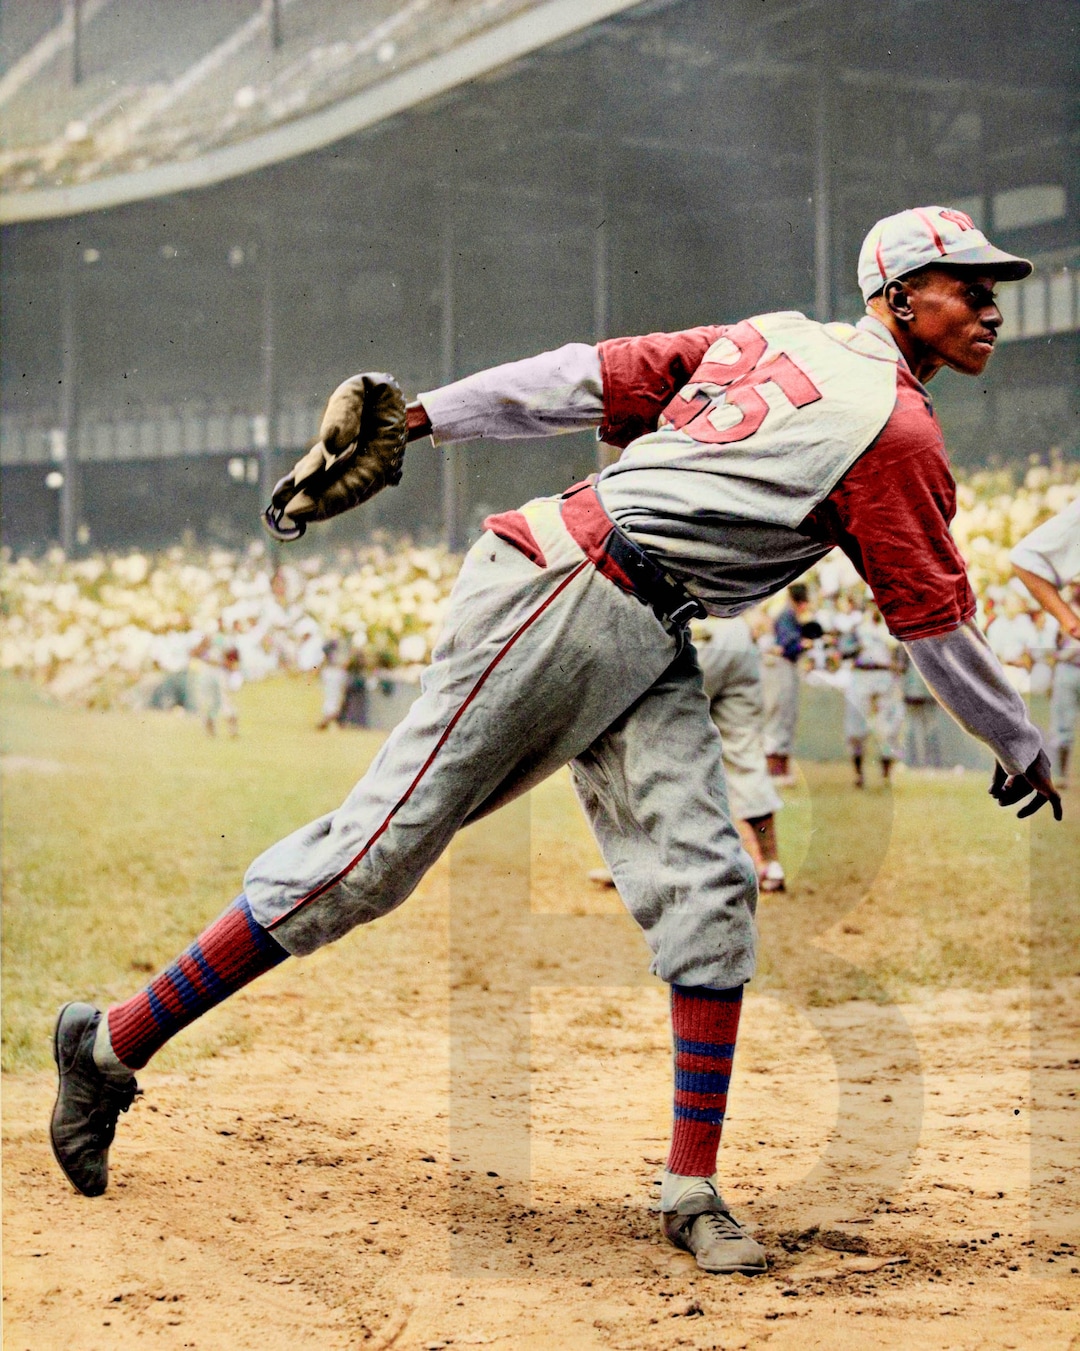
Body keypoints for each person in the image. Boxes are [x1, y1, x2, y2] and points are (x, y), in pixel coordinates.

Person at [50, 205, 1061, 1280]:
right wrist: (1017, 740)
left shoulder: (776, 334)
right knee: (368, 858)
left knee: (711, 888)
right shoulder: (894, 430)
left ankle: (690, 1187)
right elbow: (935, 624)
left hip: (646, 622)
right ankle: (109, 1042)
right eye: (966, 283)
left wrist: (427, 416)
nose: (992, 304)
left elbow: (588, 377)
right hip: (566, 590)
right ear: (898, 296)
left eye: (994, 286)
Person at [698, 618, 786, 892]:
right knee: (746, 755)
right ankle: (772, 865)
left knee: (655, 743)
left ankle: (641, 865)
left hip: (696, 631)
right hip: (738, 633)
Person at [1011, 496, 1080, 787]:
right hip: (1070, 667)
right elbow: (1025, 558)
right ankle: (1061, 774)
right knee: (1062, 727)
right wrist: (1070, 620)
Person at [844, 604, 905, 786]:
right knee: (856, 726)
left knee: (888, 726)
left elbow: (903, 657)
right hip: (862, 674)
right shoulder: (857, 628)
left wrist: (899, 665)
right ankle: (858, 774)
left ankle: (886, 774)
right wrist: (856, 645)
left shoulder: (894, 625)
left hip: (885, 675)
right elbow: (845, 650)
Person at [762, 583, 813, 782]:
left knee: (785, 715)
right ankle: (775, 771)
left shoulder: (789, 615)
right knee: (780, 714)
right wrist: (803, 643)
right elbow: (786, 645)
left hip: (785, 666)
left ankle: (780, 770)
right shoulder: (785, 615)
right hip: (780, 666)